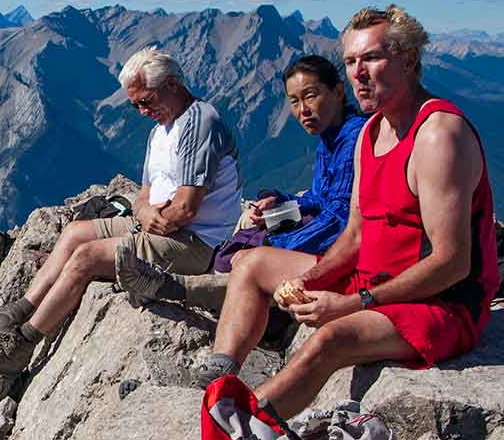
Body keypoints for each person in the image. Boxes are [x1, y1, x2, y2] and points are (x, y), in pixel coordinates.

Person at [194, 5, 500, 419]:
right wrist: (310, 277)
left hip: (434, 304)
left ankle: (237, 427)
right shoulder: (370, 133)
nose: (358, 72)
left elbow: (452, 263)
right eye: (351, 61)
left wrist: (352, 304)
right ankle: (220, 372)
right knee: (250, 263)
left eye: (371, 58)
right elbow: (355, 234)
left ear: (409, 60)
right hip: (371, 281)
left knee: (328, 340)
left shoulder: (438, 136)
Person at [0, 47, 241, 375]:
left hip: (194, 243)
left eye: (146, 100)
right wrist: (145, 214)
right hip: (156, 228)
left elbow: (186, 208)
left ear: (173, 84)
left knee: (86, 257)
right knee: (76, 232)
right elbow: (144, 196)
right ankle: (12, 316)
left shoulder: (200, 123)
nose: (142, 111)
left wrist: (148, 218)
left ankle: (19, 348)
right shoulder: (160, 130)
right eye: (135, 105)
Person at [121, 54, 367, 313]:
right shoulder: (330, 138)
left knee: (249, 258)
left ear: (338, 91)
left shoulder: (353, 139)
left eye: (310, 96)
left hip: (343, 244)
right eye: (294, 101)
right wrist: (281, 204)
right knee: (245, 238)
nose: (302, 110)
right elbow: (319, 198)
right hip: (332, 231)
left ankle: (176, 289)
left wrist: (279, 243)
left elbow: (340, 215)